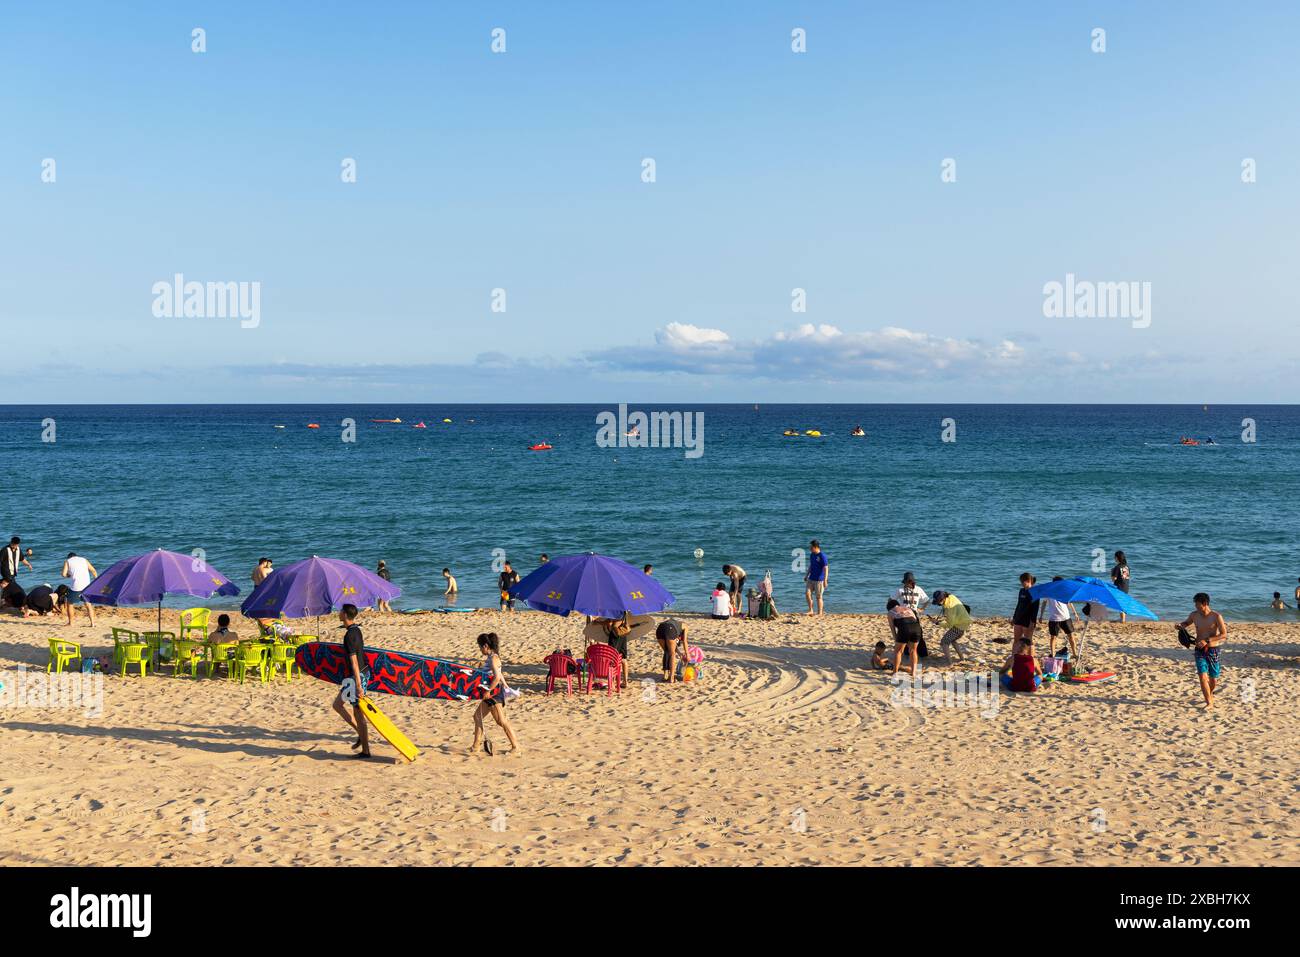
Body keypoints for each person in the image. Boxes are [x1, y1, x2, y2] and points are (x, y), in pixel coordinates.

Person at [330, 604, 372, 758]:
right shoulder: (356, 630)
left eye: (340, 611)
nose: (338, 613)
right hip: (357, 676)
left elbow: (354, 662)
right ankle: (359, 734)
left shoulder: (349, 636)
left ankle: (366, 751)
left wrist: (359, 686)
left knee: (358, 713)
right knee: (337, 705)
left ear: (345, 615)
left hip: (357, 678)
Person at [470, 632, 520, 755]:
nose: (480, 649)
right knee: (477, 716)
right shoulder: (493, 657)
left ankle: (516, 747)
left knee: (501, 721)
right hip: (493, 692)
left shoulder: (493, 658)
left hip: (494, 694)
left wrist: (489, 691)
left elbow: (496, 677)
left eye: (480, 647)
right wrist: (506, 685)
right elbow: (500, 674)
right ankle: (475, 746)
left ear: (485, 646)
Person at [1179, 593, 1227, 709]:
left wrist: (1207, 640)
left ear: (1205, 604)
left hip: (1213, 649)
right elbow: (1186, 623)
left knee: (1213, 678)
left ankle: (1210, 694)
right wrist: (1180, 626)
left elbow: (1224, 634)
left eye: (1198, 605)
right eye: (1195, 605)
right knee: (1202, 676)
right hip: (1199, 649)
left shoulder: (1216, 616)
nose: (1196, 608)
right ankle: (1209, 703)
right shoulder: (1194, 615)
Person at [1039, 576, 1081, 659]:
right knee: (1053, 637)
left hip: (1066, 617)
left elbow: (1069, 602)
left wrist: (1075, 613)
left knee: (1071, 636)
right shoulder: (1049, 592)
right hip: (1054, 619)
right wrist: (1041, 615)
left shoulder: (1064, 591)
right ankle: (1053, 654)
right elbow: (1044, 603)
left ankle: (1074, 653)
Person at [929, 589, 972, 662]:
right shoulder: (951, 596)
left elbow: (950, 625)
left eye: (939, 601)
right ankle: (962, 659)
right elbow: (952, 617)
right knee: (953, 640)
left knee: (944, 642)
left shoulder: (949, 608)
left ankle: (949, 662)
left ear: (944, 598)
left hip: (959, 625)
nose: (939, 603)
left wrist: (937, 623)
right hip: (965, 621)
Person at [887, 599, 922, 676]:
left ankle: (895, 672)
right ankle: (913, 673)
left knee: (898, 651)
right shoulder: (908, 609)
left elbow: (892, 628)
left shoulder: (890, 612)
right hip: (916, 628)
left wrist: (896, 639)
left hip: (904, 627)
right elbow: (915, 620)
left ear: (889, 607)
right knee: (913, 651)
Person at [61, 552, 97, 626]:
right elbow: (93, 570)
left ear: (69, 557)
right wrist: (95, 581)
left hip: (76, 587)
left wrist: (69, 575)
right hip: (87, 586)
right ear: (76, 556)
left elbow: (63, 574)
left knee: (70, 604)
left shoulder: (67, 561)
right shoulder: (84, 559)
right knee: (88, 604)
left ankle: (71, 623)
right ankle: (92, 623)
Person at [1002, 572, 1038, 645]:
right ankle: (1014, 656)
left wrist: (1032, 622)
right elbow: (1018, 605)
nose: (1021, 583)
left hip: (1028, 620)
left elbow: (1035, 609)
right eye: (1021, 581)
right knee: (1016, 640)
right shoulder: (1021, 591)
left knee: (1028, 642)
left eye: (1023, 581)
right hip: (1018, 618)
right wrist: (1014, 617)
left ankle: (1030, 656)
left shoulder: (1035, 592)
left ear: (1029, 581)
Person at [805, 539, 829, 615]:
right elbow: (811, 566)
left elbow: (826, 568)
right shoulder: (812, 555)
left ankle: (820, 613)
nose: (810, 548)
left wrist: (825, 580)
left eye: (811, 547)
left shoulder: (822, 555)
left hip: (819, 580)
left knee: (818, 597)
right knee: (807, 593)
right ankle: (811, 610)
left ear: (816, 547)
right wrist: (806, 575)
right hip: (811, 578)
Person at [1110, 551, 1131, 623]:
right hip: (1126, 587)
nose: (1114, 558)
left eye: (1115, 557)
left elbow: (1113, 579)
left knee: (1120, 603)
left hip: (1119, 587)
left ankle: (1122, 619)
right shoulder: (1127, 567)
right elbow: (1126, 577)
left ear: (1117, 558)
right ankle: (1123, 618)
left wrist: (1111, 572)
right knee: (1122, 602)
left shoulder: (1117, 567)